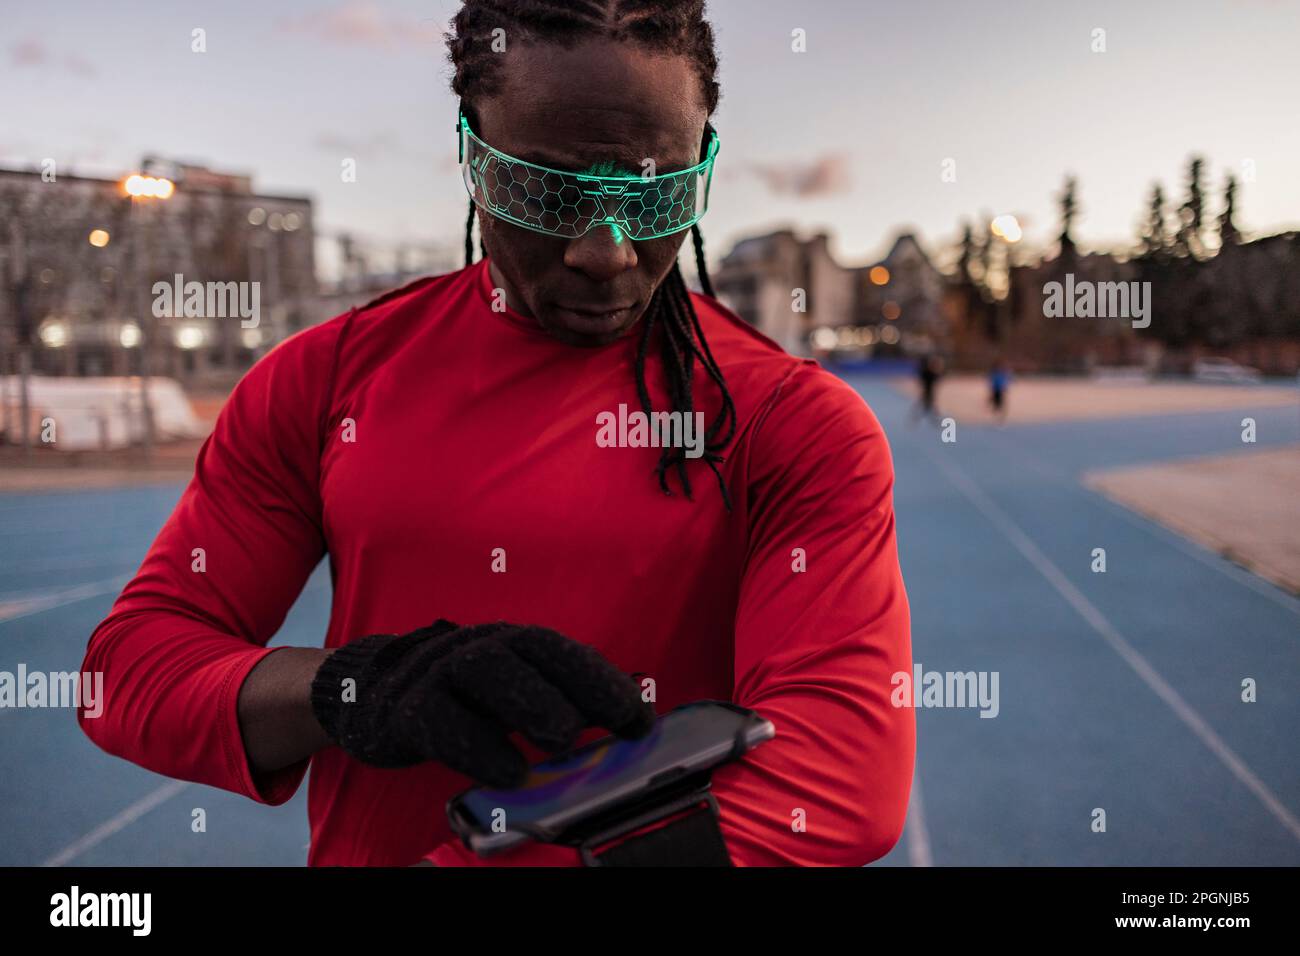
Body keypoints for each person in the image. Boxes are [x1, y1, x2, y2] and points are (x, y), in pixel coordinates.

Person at [78, 0, 914, 867]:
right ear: (472, 158)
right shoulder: (321, 383)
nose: (608, 250)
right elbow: (126, 674)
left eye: (658, 191)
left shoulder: (794, 423)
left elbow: (837, 781)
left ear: (704, 160)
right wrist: (345, 686)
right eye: (548, 190)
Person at [912, 353, 944, 424]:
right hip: (926, 391)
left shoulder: (932, 373)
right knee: (922, 403)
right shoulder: (926, 372)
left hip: (930, 391)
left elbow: (938, 378)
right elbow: (921, 379)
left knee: (931, 404)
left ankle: (935, 418)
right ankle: (915, 416)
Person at [989, 358, 1011, 422]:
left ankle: (999, 414)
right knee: (996, 401)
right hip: (996, 389)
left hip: (1000, 389)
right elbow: (993, 380)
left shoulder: (1002, 373)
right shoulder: (995, 373)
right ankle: (996, 413)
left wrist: (1005, 387)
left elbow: (1007, 379)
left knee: (1000, 401)